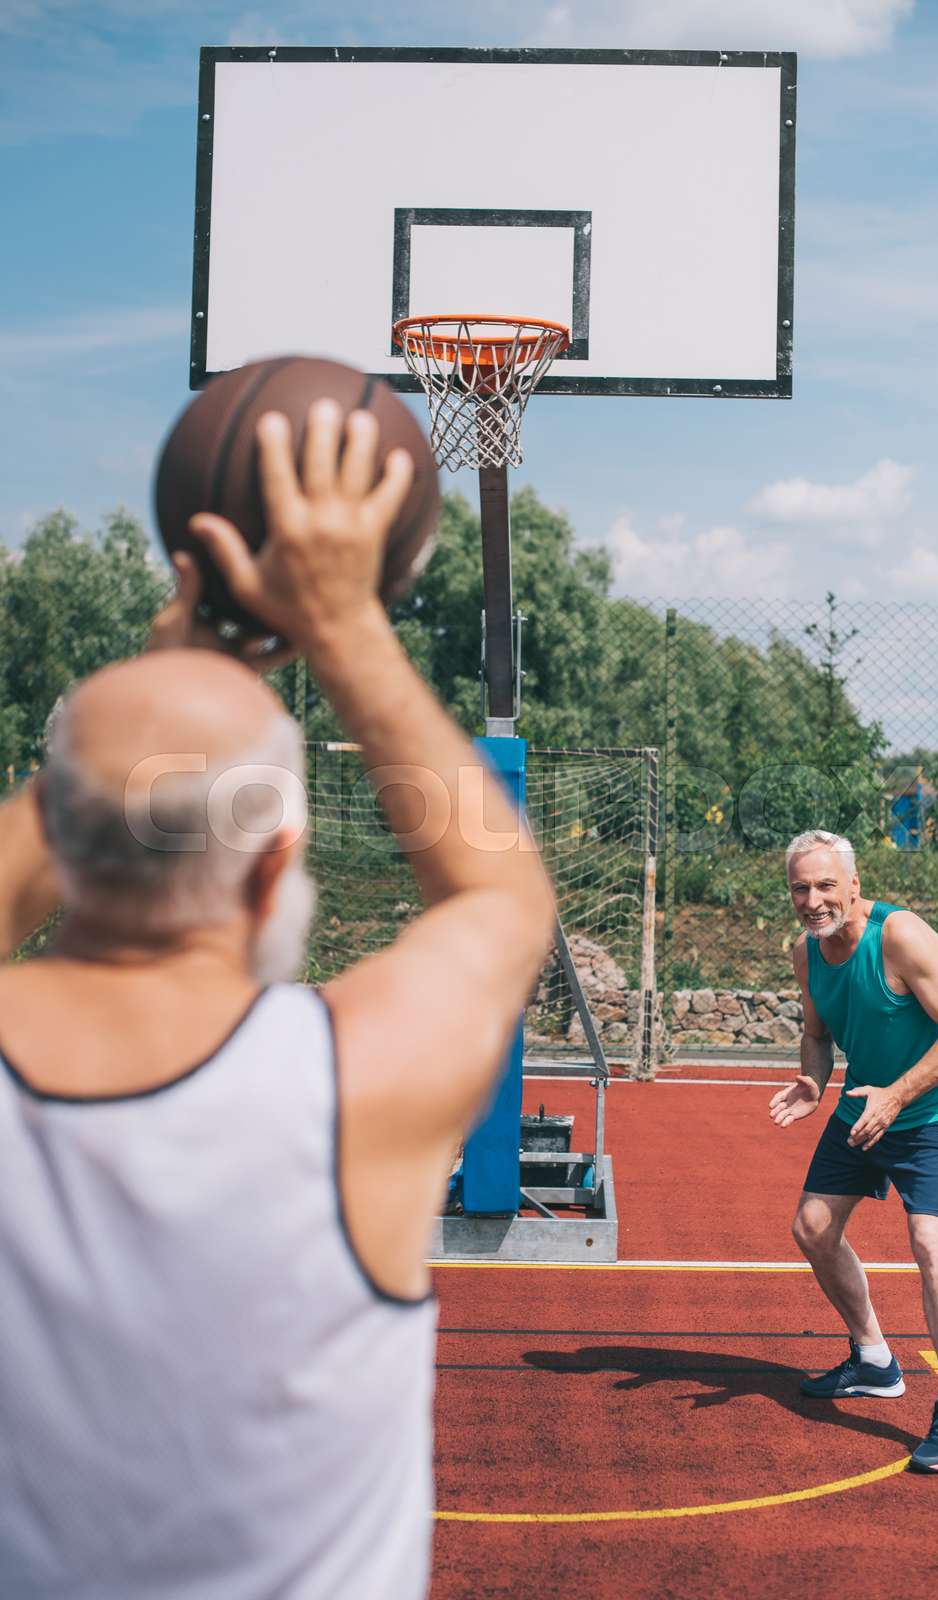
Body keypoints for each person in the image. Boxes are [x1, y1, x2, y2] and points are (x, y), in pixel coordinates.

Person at [0, 400, 556, 1597]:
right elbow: (504, 899)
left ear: (57, 829)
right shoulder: (352, 1086)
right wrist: (343, 626)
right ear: (271, 864)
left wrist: (173, 675)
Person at [769, 829, 938, 1474]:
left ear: (854, 886)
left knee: (928, 1240)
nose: (813, 899)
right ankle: (874, 1359)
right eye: (801, 888)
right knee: (811, 1227)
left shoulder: (900, 936)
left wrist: (896, 1096)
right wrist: (813, 1079)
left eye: (826, 885)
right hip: (864, 1105)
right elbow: (816, 1034)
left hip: (929, 1111)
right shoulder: (808, 955)